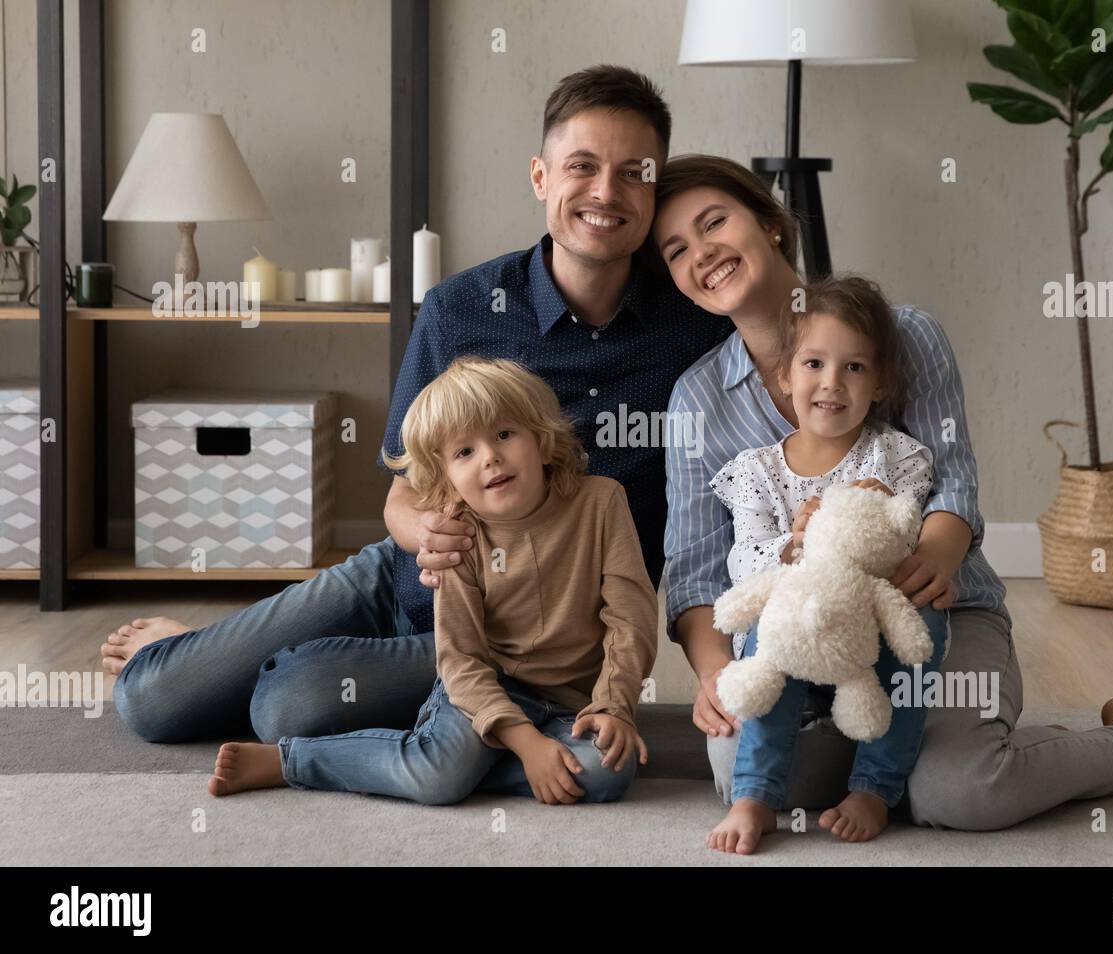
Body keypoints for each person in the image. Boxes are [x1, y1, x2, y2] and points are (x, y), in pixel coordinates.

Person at [102, 65, 731, 745]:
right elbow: (402, 496)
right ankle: (214, 653)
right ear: (541, 177)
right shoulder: (461, 310)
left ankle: (271, 666)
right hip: (401, 579)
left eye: (632, 172)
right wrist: (426, 534)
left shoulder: (695, 329)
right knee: (155, 700)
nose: (605, 192)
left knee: (292, 708)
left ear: (652, 187)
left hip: (523, 644)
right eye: (581, 166)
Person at [651, 154, 1113, 852]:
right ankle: (894, 761)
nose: (702, 253)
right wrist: (717, 672)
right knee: (752, 778)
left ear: (771, 224)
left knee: (959, 793)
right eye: (676, 249)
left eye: (715, 222)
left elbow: (953, 481)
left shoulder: (906, 334)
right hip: (799, 637)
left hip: (934, 615)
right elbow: (695, 568)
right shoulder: (696, 399)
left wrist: (929, 556)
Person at [207, 357, 657, 806]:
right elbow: (459, 658)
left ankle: (443, 756)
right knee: (438, 781)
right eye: (465, 452)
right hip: (487, 686)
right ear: (447, 480)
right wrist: (525, 742)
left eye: (504, 434)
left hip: (570, 706)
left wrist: (612, 707)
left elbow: (629, 617)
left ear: (541, 442)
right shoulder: (457, 532)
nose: (491, 457)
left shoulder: (602, 502)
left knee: (607, 773)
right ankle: (295, 761)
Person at [704, 274, 951, 852]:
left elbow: (907, 544)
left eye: (855, 368)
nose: (831, 384)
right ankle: (755, 796)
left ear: (880, 381)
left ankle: (875, 784)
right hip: (795, 623)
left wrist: (884, 510)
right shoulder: (758, 470)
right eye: (814, 363)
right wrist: (794, 543)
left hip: (867, 623)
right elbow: (744, 560)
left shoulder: (897, 458)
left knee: (926, 626)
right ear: (784, 376)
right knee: (770, 628)